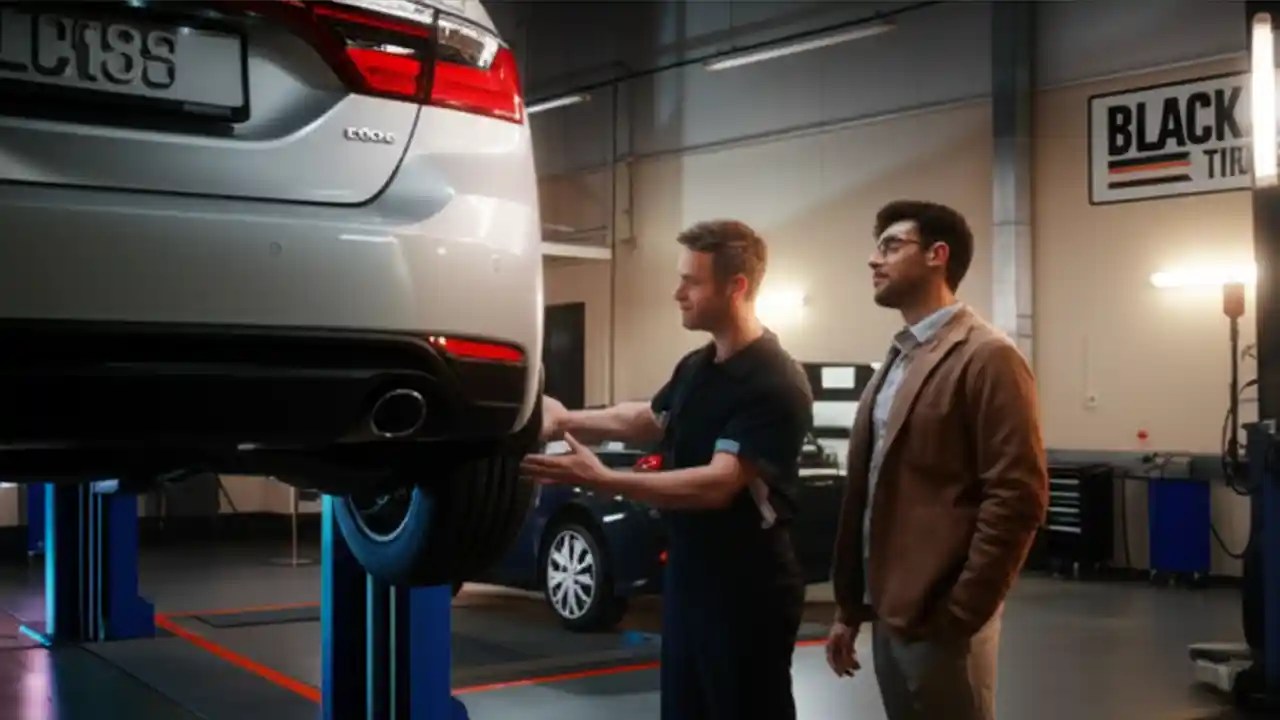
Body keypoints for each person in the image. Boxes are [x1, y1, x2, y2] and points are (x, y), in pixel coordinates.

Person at [520, 219, 814, 720]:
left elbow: (718, 484)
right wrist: (563, 419)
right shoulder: (699, 366)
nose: (677, 293)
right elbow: (648, 419)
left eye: (691, 281)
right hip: (690, 577)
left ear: (736, 286)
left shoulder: (773, 380)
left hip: (746, 590)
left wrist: (605, 480)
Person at [825, 200, 1048, 720]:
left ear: (937, 256)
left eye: (891, 246)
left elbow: (1017, 496)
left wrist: (963, 611)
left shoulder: (987, 356)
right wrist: (850, 608)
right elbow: (872, 493)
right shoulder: (899, 360)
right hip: (889, 611)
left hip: (942, 617)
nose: (874, 261)